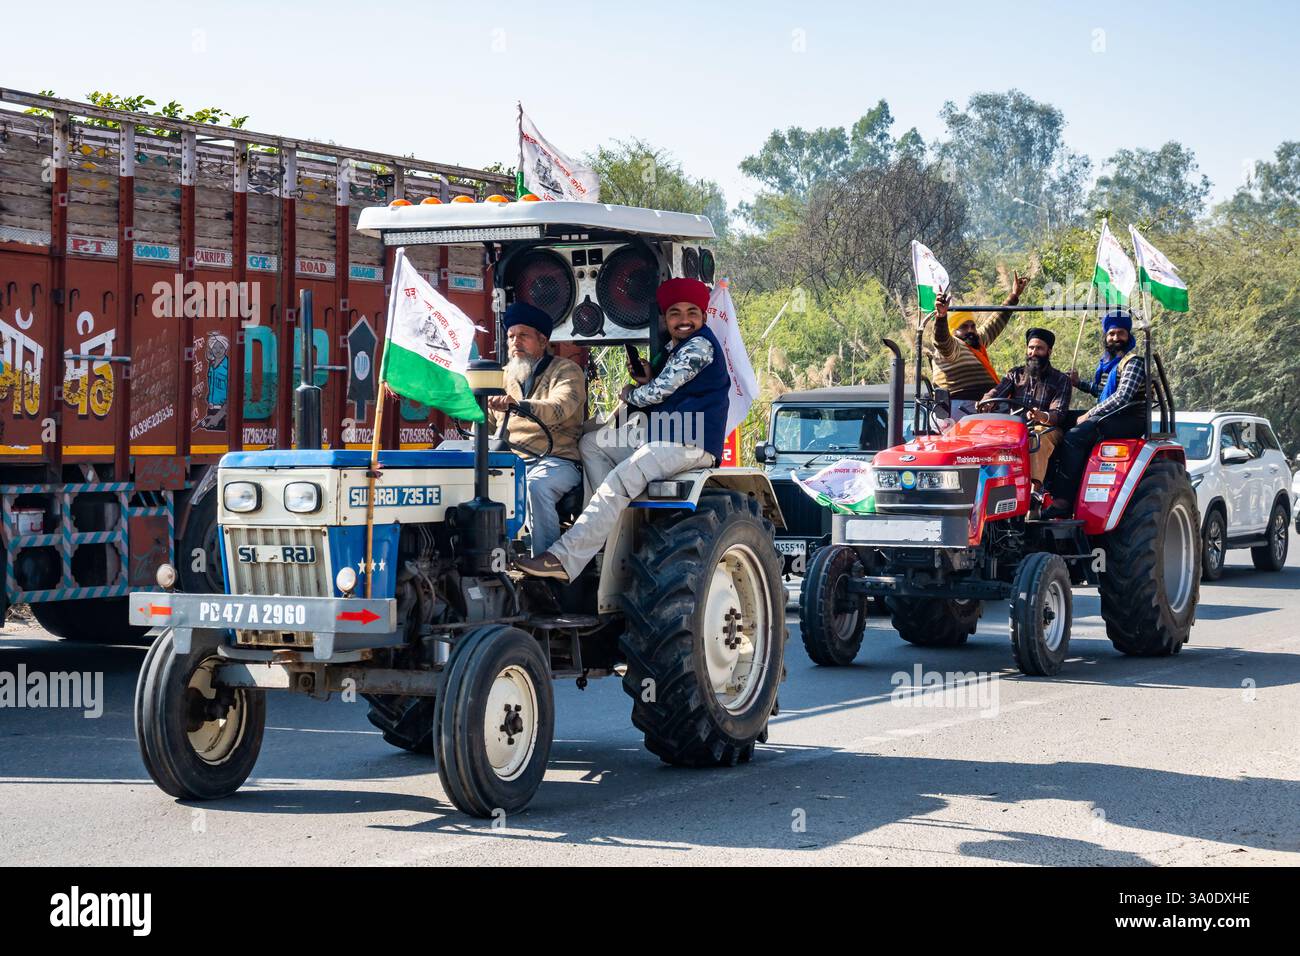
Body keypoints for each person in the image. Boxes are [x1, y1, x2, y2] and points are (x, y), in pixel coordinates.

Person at [515, 277, 730, 581]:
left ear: (704, 317)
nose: (683, 320)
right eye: (675, 314)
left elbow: (656, 394)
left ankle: (565, 558)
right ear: (665, 319)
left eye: (691, 313)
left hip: (692, 440)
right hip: (667, 435)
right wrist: (648, 380)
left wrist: (631, 392)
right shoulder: (677, 348)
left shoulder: (699, 346)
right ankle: (609, 534)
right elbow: (665, 386)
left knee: (622, 476)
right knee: (591, 443)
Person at [486, 302, 587, 557]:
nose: (515, 342)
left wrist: (518, 406)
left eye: (523, 336)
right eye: (511, 337)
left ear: (543, 340)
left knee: (534, 486)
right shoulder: (502, 376)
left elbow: (560, 407)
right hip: (509, 462)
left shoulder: (566, 371)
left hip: (556, 461)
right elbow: (485, 425)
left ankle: (546, 562)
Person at [1044, 311, 1148, 518]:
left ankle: (1064, 499)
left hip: (1130, 418)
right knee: (1058, 423)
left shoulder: (1133, 362)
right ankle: (1045, 488)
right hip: (1112, 415)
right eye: (1111, 334)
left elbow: (1121, 398)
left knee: (1075, 436)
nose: (1115, 338)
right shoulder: (1108, 364)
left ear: (1128, 335)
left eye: (1120, 333)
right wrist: (1079, 383)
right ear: (1105, 336)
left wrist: (1090, 414)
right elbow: (1103, 393)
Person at [980, 327, 1072, 491]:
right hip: (1014, 427)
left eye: (1039, 348)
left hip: (1047, 429)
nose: (1034, 352)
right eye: (1031, 348)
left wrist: (1041, 415)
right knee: (987, 437)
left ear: (1049, 351)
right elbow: (997, 391)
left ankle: (1034, 493)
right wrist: (987, 400)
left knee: (1035, 438)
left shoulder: (1061, 380)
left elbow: (1058, 415)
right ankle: (988, 487)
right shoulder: (1015, 374)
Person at [929, 273, 1029, 422]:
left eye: (973, 326)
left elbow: (995, 322)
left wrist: (1014, 295)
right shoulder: (952, 347)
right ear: (953, 330)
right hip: (961, 408)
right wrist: (942, 317)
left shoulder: (976, 342)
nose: (970, 330)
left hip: (986, 405)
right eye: (964, 327)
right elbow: (941, 340)